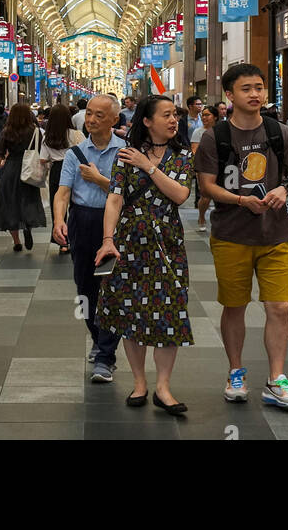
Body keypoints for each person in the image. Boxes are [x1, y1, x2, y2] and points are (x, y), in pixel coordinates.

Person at [196, 63, 288, 410]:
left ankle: (276, 380)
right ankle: (235, 372)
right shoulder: (215, 137)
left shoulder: (280, 132)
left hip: (275, 234)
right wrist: (242, 200)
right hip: (231, 234)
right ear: (229, 95)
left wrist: (284, 189)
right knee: (235, 306)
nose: (255, 94)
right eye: (246, 88)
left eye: (259, 87)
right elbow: (206, 185)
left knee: (279, 306)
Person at [94, 96, 195, 414]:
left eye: (175, 115)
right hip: (130, 244)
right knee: (130, 314)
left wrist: (148, 166)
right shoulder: (125, 156)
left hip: (167, 246)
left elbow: (179, 194)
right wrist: (108, 239)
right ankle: (140, 382)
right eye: (166, 115)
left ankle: (163, 386)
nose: (173, 120)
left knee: (169, 316)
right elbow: (114, 199)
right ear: (147, 121)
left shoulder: (181, 156)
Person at [52, 96, 124, 383]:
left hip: (115, 224)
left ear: (114, 120)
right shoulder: (75, 153)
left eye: (99, 115)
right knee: (84, 288)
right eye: (89, 114)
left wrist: (99, 180)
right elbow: (62, 193)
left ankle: (106, 356)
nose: (91, 120)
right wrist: (59, 219)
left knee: (112, 288)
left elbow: (127, 193)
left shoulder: (127, 152)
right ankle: (99, 336)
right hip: (82, 221)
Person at [0, 102, 46, 251]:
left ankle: (16, 241)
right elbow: (41, 151)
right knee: (29, 200)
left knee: (9, 204)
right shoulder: (35, 131)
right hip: (30, 170)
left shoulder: (7, 131)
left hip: (11, 169)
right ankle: (28, 225)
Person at [39, 104, 84, 253]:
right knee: (76, 205)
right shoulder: (76, 134)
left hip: (57, 170)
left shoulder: (47, 136)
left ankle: (63, 242)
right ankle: (77, 236)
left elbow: (43, 159)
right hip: (76, 170)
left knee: (58, 205)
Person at [190, 104, 218, 232]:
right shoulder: (198, 132)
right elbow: (195, 150)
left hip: (220, 165)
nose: (204, 117)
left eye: (207, 115)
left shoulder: (221, 130)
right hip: (205, 167)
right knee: (206, 195)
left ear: (215, 117)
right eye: (203, 115)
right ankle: (201, 217)